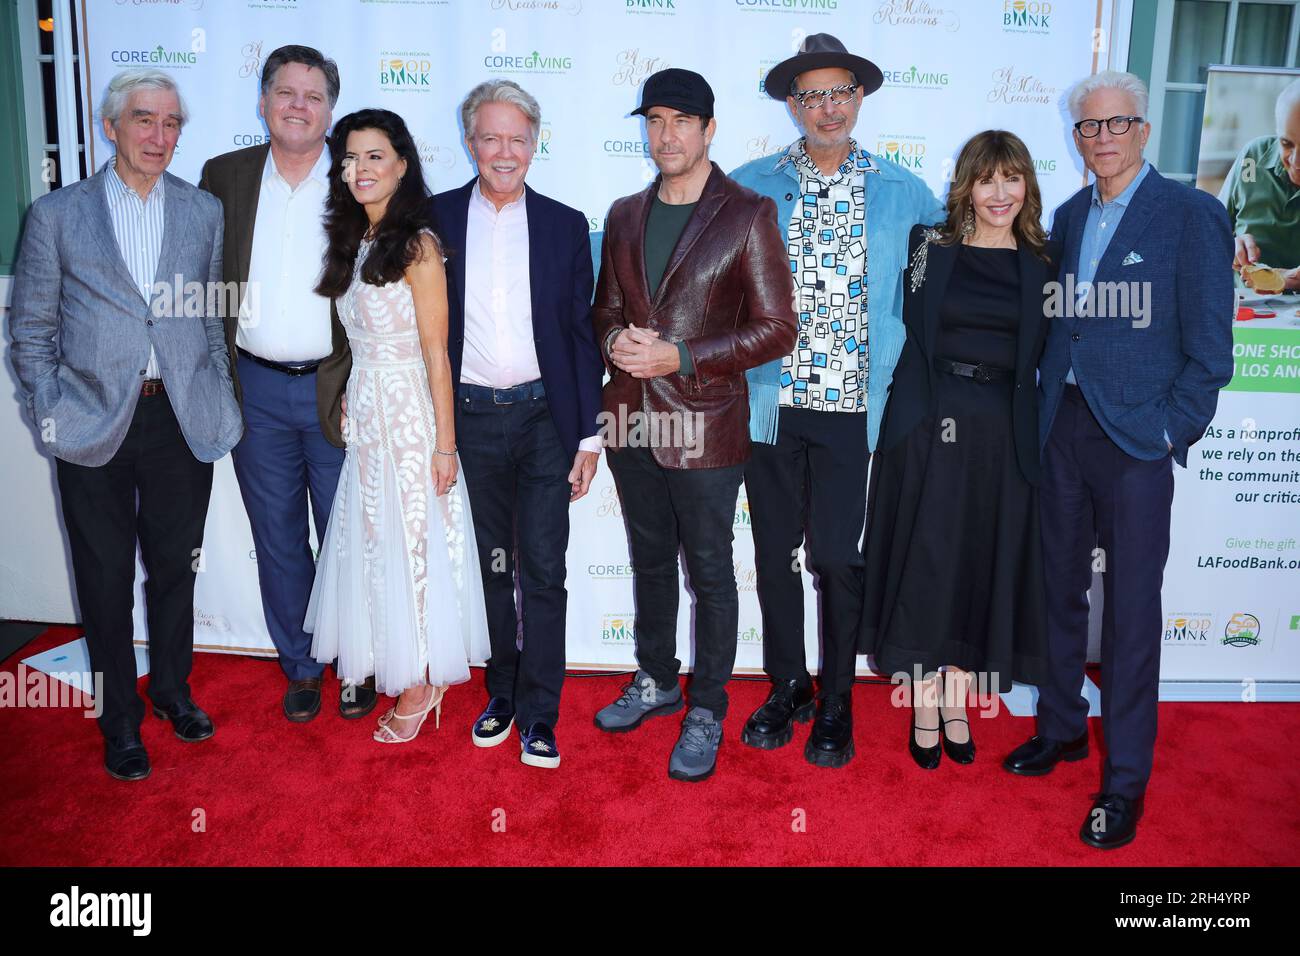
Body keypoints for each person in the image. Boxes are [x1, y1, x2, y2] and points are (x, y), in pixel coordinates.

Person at [1003, 71, 1234, 849]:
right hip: (1060, 430)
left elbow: (1211, 350)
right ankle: (1064, 728)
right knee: (1058, 592)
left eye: (1115, 124)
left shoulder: (1192, 215)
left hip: (1137, 443)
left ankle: (1124, 781)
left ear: (1143, 128)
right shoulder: (1068, 216)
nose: (1100, 138)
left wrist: (1172, 431)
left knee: (1131, 615)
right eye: (1087, 127)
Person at [10, 69, 242, 780]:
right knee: (104, 578)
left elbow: (207, 319)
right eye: (144, 120)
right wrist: (50, 410)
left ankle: (172, 691)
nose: (159, 136)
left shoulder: (202, 211)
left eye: (172, 124)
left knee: (175, 569)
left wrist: (217, 394)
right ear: (111, 126)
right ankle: (120, 722)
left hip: (178, 418)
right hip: (90, 423)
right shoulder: (57, 215)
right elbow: (31, 331)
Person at [730, 34, 944, 768]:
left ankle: (839, 700)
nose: (828, 107)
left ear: (860, 99)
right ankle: (787, 684)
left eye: (840, 92)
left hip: (854, 408)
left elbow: (947, 285)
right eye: (812, 95)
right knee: (772, 551)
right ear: (792, 105)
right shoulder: (751, 183)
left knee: (838, 559)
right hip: (769, 403)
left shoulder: (904, 191)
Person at [591, 68, 797, 782]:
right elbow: (605, 309)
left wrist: (679, 354)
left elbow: (777, 329)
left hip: (706, 425)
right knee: (649, 560)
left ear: (710, 129)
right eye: (654, 119)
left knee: (709, 572)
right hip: (631, 424)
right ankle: (657, 677)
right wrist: (614, 342)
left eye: (682, 120)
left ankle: (707, 704)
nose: (666, 134)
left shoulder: (747, 213)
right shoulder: (622, 213)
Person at [860, 130, 1059, 770]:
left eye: (1012, 179)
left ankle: (957, 701)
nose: (1000, 194)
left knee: (976, 567)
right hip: (927, 427)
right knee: (926, 566)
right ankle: (922, 705)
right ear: (966, 185)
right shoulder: (930, 248)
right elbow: (908, 329)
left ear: (1026, 185)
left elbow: (1052, 357)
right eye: (986, 179)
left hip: (1001, 437)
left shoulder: (1046, 263)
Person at [429, 80, 604, 769]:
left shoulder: (565, 224)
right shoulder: (434, 219)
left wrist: (589, 435)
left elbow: (582, 334)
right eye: (491, 138)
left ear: (536, 144)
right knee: (491, 568)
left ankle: (540, 712)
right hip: (468, 419)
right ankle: (500, 692)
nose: (505, 152)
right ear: (471, 142)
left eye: (518, 139)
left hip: (542, 420)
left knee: (544, 570)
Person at [199, 46, 376, 723]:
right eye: (286, 92)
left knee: (349, 535)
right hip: (257, 391)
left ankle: (356, 662)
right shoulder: (226, 176)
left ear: (331, 108)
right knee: (277, 537)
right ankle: (303, 665)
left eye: (313, 95)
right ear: (264, 101)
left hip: (342, 387)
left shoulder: (359, 174)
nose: (299, 105)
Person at [305, 109, 490, 744]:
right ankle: (411, 667)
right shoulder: (355, 241)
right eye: (350, 159)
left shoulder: (419, 244)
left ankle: (422, 682)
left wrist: (445, 445)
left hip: (412, 412)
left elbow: (438, 353)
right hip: (369, 414)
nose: (359, 170)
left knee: (415, 542)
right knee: (377, 541)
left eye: (375, 156)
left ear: (403, 165)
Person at [1219, 76, 1300, 290]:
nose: (1296, 161)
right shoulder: (1253, 158)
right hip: (1243, 307)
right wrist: (1230, 243)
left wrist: (1292, 281)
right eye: (1286, 143)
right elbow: (1208, 232)